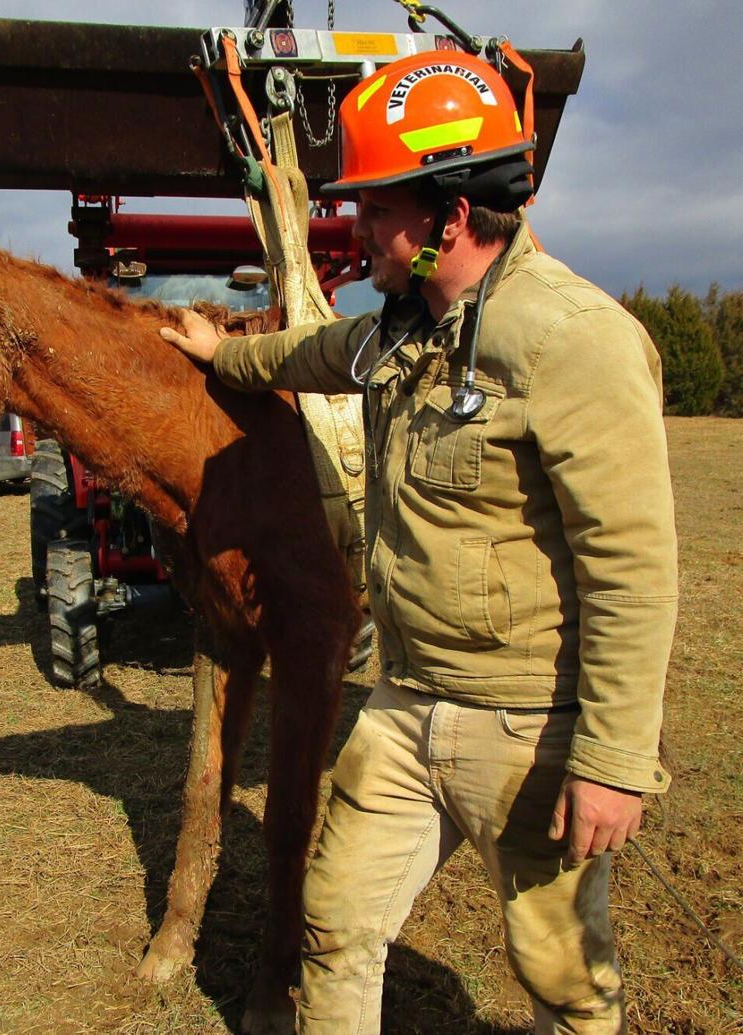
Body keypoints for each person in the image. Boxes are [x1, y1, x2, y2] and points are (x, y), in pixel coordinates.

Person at [161, 49, 677, 1032]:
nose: (356, 228)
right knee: (332, 926)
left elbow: (633, 567)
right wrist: (221, 353)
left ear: (451, 215)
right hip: (404, 707)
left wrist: (612, 759)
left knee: (566, 981)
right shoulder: (404, 327)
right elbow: (312, 352)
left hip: (528, 726)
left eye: (376, 207)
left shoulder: (573, 339)